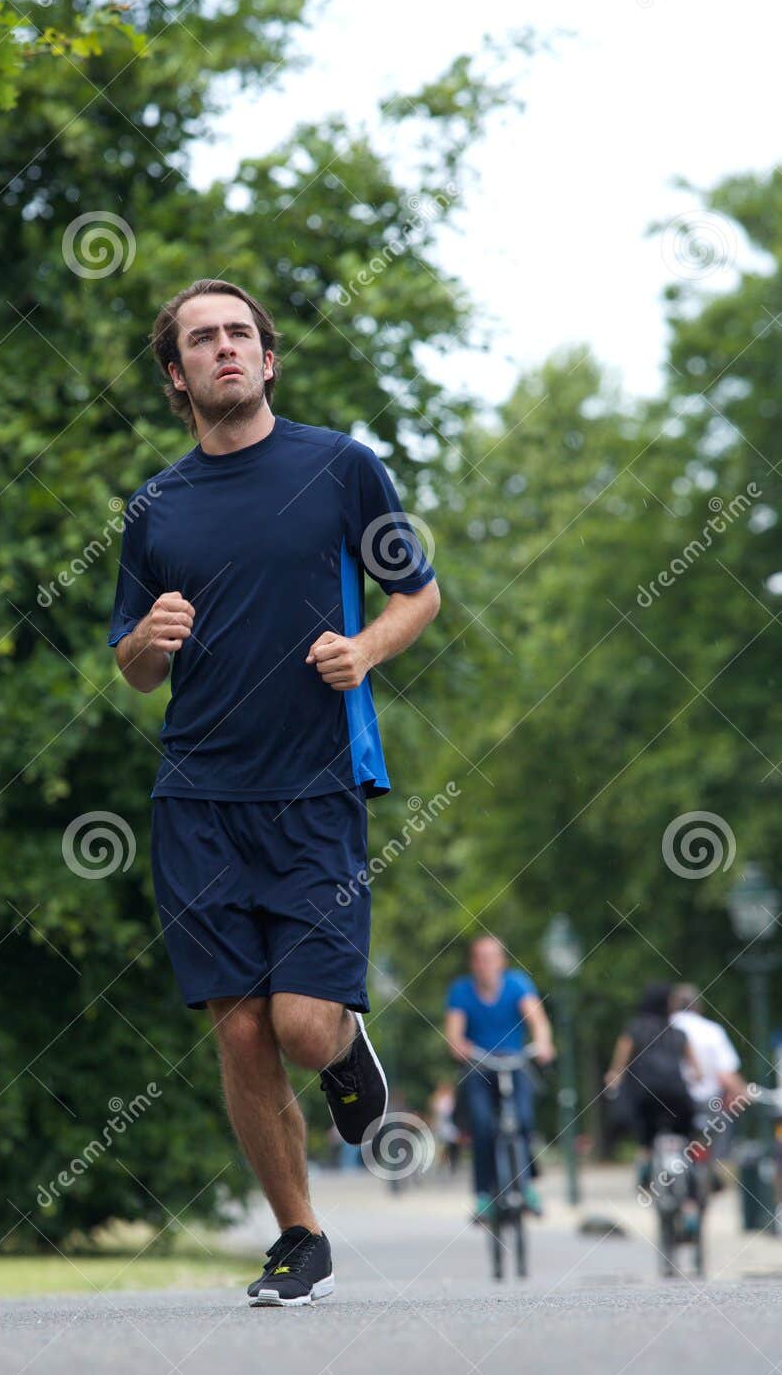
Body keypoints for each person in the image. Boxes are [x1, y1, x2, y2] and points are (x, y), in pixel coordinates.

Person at [107, 279, 440, 1306]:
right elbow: (132, 666)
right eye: (201, 339)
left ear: (267, 357)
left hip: (313, 785)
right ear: (175, 374)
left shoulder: (339, 467)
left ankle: (342, 1048)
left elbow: (417, 593)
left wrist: (364, 650)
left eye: (238, 334)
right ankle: (299, 1236)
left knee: (298, 1025)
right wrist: (146, 640)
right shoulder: (155, 507)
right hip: (197, 798)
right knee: (240, 1029)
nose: (223, 349)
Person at [444, 935, 555, 1221]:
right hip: (480, 1065)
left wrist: (543, 1043)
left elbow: (538, 1021)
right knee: (482, 1126)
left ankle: (527, 1185)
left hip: (514, 1063)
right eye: (480, 958)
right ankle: (483, 1195)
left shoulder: (517, 984)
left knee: (524, 1121)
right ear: (473, 963)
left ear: (502, 961)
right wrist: (458, 1045)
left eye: (492, 957)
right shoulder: (461, 991)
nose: (486, 964)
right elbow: (454, 1033)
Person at [604, 982, 702, 1192]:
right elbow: (697, 1071)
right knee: (688, 1135)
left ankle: (645, 1168)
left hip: (645, 1096)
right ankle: (693, 1186)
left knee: (646, 1136)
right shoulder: (678, 1034)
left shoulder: (634, 1029)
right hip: (677, 1095)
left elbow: (619, 1065)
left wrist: (614, 1079)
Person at [668, 982, 745, 1169]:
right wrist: (744, 1092)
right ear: (698, 1005)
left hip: (669, 1099)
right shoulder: (712, 1031)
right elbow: (726, 1074)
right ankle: (716, 1167)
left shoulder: (660, 1027)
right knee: (717, 1138)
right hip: (707, 1102)